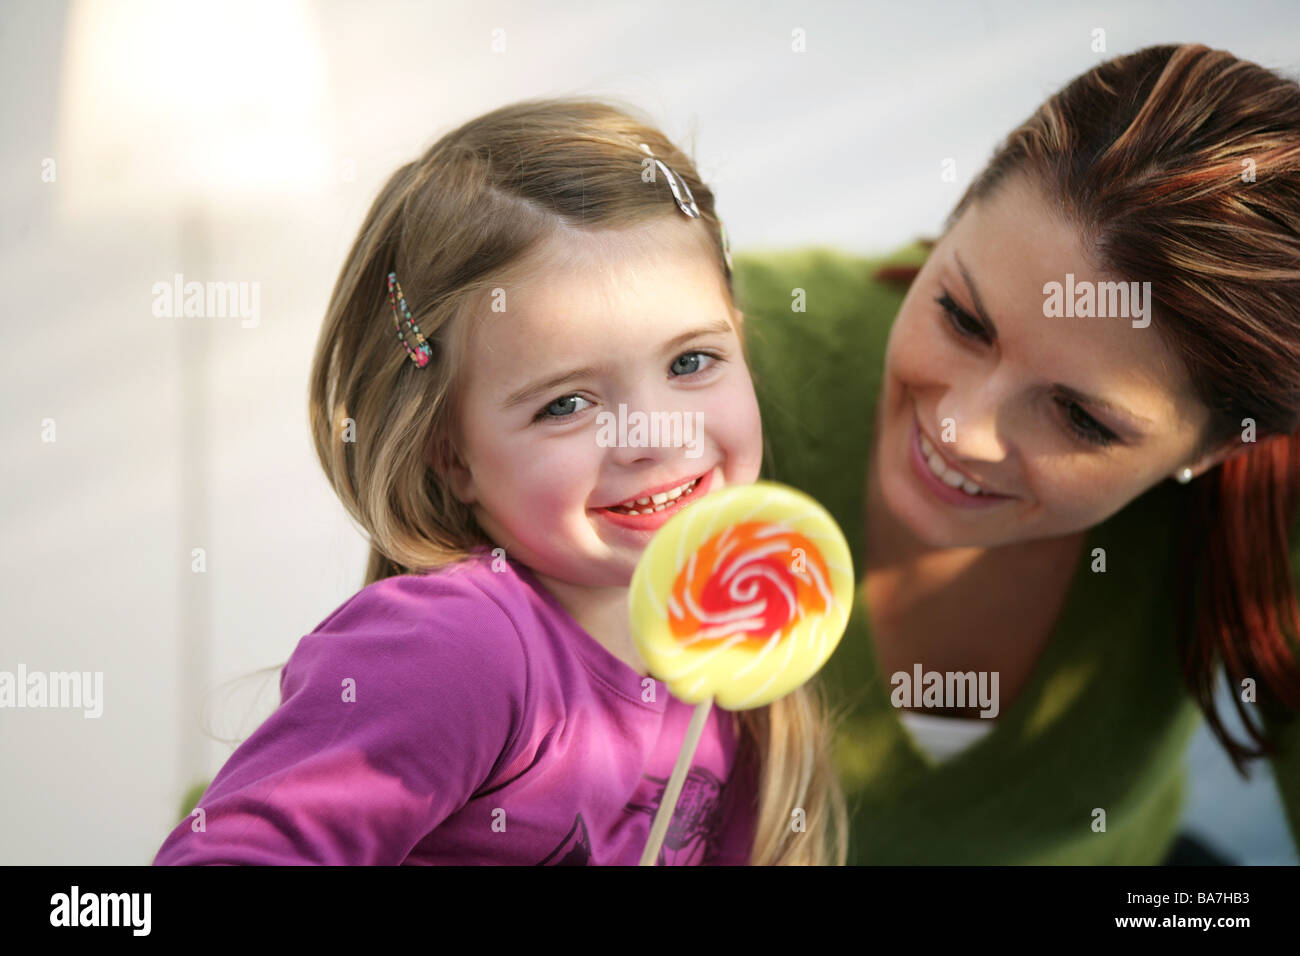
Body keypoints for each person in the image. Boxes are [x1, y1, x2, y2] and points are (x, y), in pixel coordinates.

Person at [153, 98, 847, 866]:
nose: (656, 436)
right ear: (450, 454)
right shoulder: (461, 647)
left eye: (690, 361)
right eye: (568, 403)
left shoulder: (738, 672)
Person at [732, 43, 1300, 865]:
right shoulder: (705, 368)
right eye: (964, 318)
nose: (962, 429)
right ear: (953, 216)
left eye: (1079, 417)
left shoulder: (1268, 510)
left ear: (1215, 450)